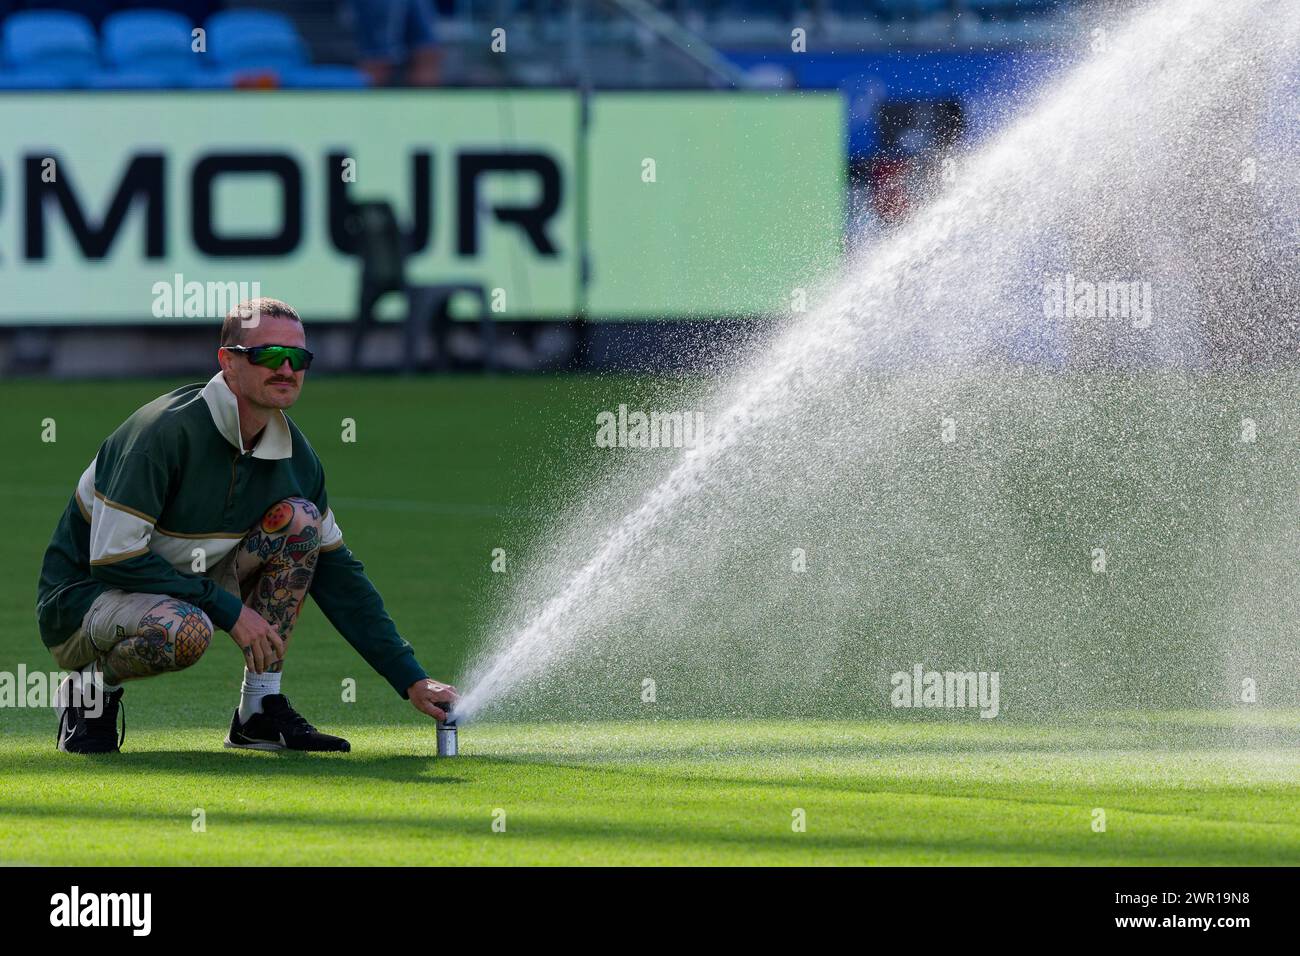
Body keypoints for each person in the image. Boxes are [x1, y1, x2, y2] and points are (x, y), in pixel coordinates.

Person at [37, 297, 458, 754]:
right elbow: (114, 560)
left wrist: (411, 678)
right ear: (229, 362)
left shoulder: (298, 457)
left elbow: (340, 578)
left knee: (300, 522)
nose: (286, 369)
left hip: (183, 585)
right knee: (186, 630)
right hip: (83, 601)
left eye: (298, 359)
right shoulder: (161, 433)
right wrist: (229, 609)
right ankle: (89, 692)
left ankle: (258, 712)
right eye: (268, 356)